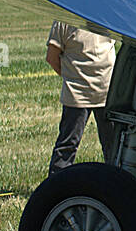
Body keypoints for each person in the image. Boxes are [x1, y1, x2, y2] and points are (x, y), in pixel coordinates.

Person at [45, 21, 117, 176]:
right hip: (77, 95)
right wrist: (72, 78)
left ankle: (118, 183)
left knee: (114, 147)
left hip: (107, 93)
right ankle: (57, 185)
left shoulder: (109, 13)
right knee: (68, 144)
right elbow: (52, 57)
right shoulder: (64, 19)